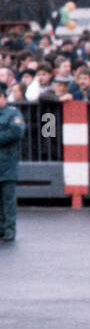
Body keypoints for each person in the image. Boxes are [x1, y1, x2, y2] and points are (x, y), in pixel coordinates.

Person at [0, 82, 22, 241]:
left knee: (8, 199)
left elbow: (16, 132)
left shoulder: (12, 114)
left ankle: (9, 229)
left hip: (7, 163)